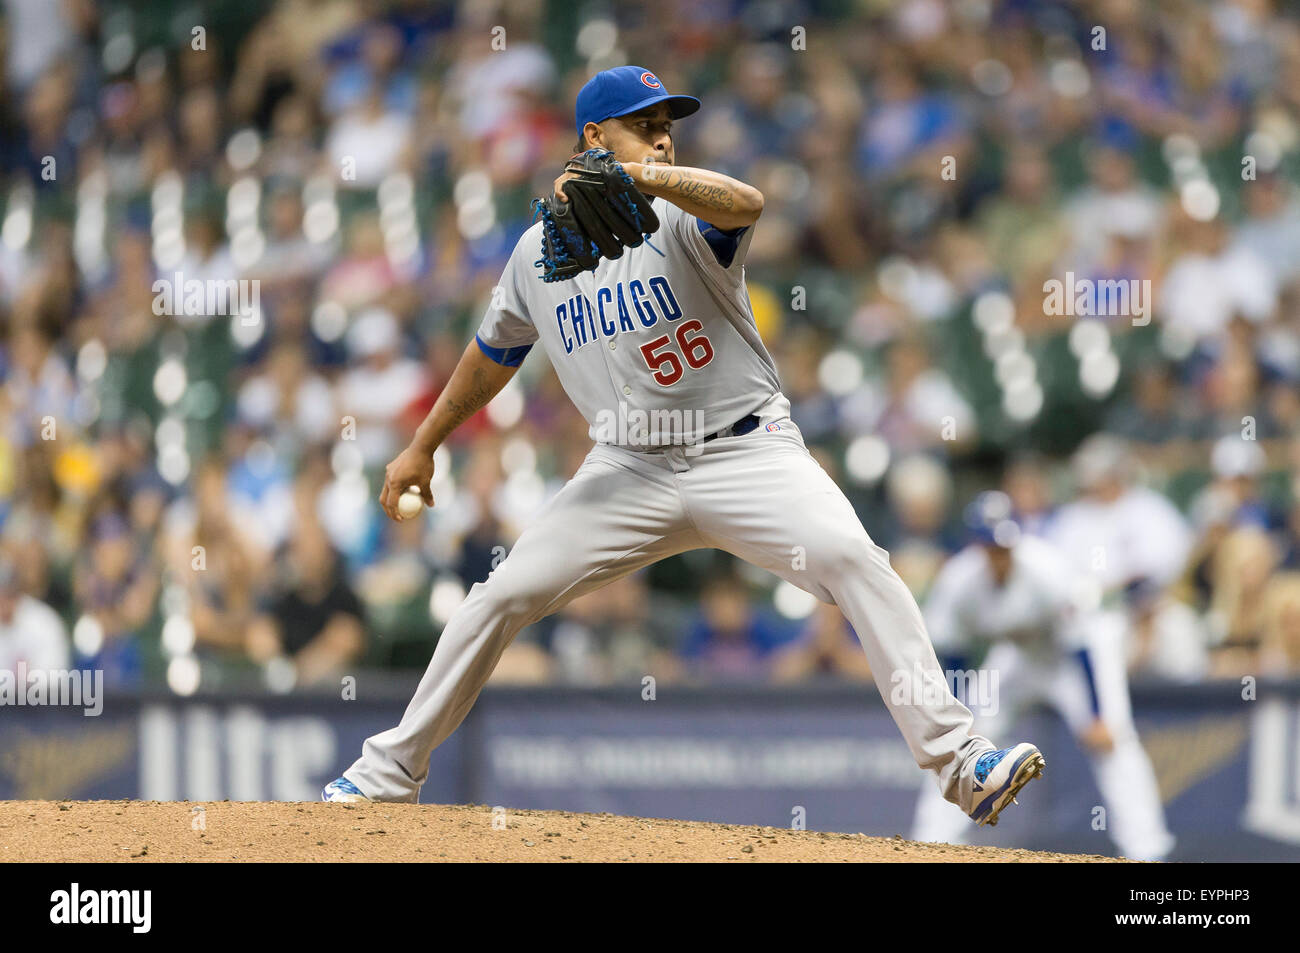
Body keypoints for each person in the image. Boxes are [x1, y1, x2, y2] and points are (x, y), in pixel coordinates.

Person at [323, 66, 1044, 828]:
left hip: (746, 451)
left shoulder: (680, 216)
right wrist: (424, 443)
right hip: (627, 468)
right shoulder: (538, 253)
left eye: (668, 121)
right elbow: (491, 352)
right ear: (592, 137)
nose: (663, 132)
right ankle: (387, 772)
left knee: (858, 562)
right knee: (499, 597)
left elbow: (748, 203)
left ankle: (964, 762)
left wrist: (642, 174)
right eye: (643, 122)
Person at [911, 492, 1175, 861]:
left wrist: (1097, 715)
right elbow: (953, 654)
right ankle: (932, 844)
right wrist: (960, 712)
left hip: (1071, 658)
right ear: (976, 545)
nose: (999, 554)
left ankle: (1147, 849)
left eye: (1005, 545)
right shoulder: (959, 581)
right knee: (958, 743)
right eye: (991, 546)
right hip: (1017, 657)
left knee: (1113, 739)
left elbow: (1081, 645)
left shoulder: (1046, 568)